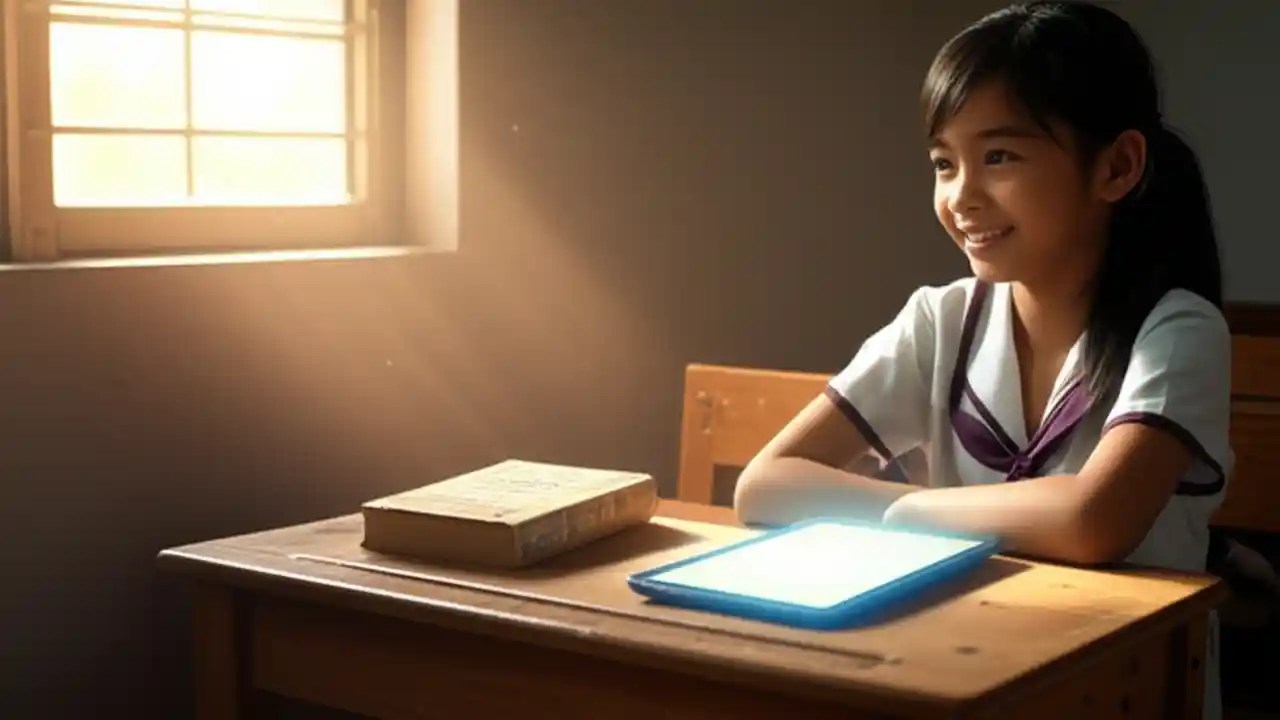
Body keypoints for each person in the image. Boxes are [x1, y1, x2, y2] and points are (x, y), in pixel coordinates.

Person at [732, 3, 1229, 717]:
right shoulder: (941, 319)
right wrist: (921, 510)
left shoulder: (1179, 330)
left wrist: (905, 510)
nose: (961, 195)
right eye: (944, 162)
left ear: (1116, 167)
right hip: (958, 668)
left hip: (1130, 685)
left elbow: (1094, 520)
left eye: (999, 156)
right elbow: (766, 486)